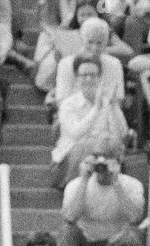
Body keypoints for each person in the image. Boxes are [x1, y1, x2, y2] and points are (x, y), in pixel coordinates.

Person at [51, 55, 128, 189]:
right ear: (76, 78)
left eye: (93, 75)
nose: (89, 79)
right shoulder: (68, 104)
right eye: (84, 75)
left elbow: (122, 133)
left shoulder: (107, 101)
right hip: (69, 163)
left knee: (111, 142)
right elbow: (76, 134)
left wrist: (111, 105)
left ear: (99, 78)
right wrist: (96, 109)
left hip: (102, 155)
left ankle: (105, 184)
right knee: (91, 143)